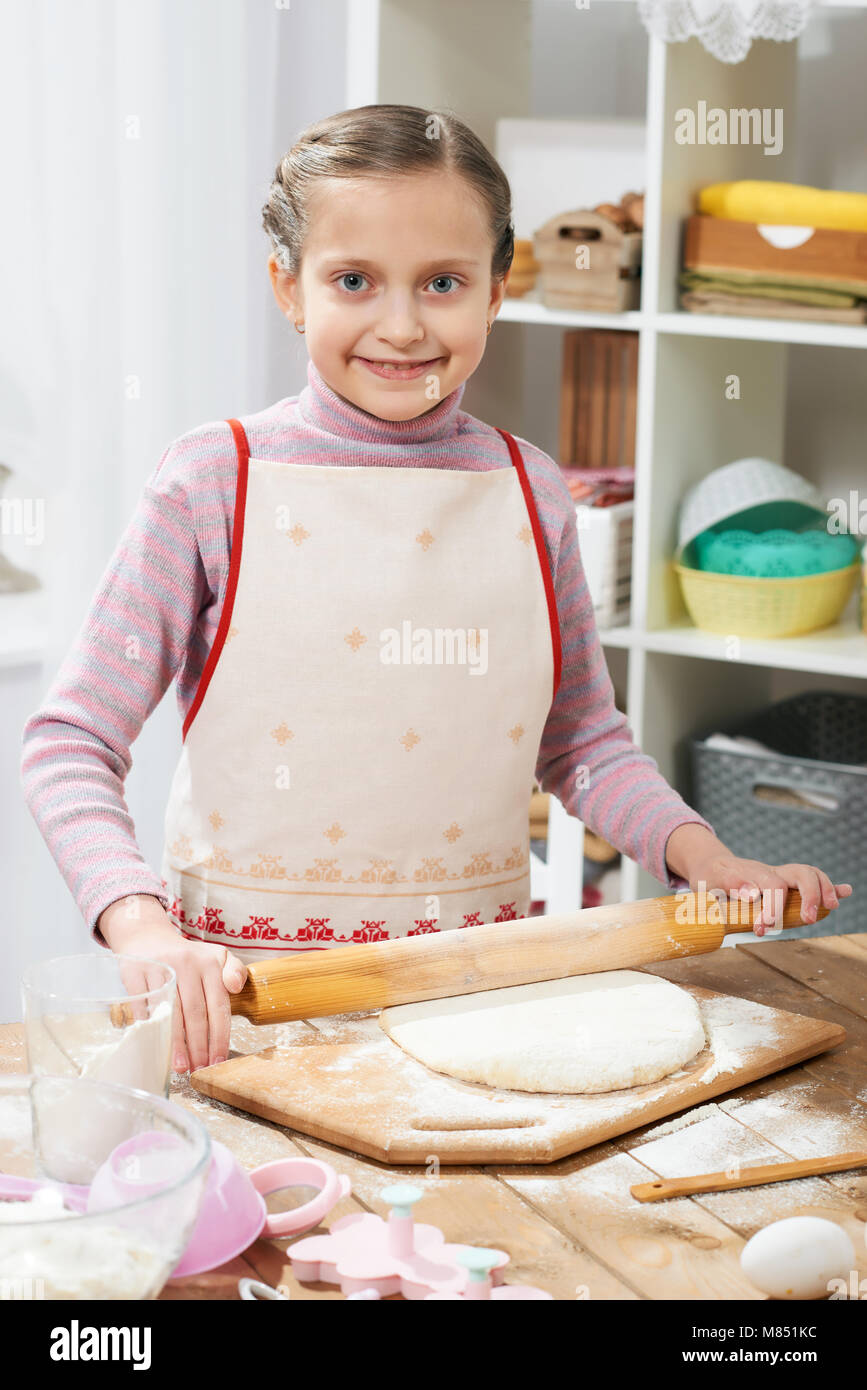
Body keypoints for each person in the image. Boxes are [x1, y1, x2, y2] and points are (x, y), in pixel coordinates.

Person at [21, 104, 851, 1074]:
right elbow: (70, 742)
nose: (403, 326)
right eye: (354, 280)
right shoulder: (214, 481)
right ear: (288, 285)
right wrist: (141, 928)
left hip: (477, 1006)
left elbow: (581, 741)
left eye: (443, 283)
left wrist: (706, 858)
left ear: (497, 289)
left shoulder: (531, 491)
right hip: (248, 1018)